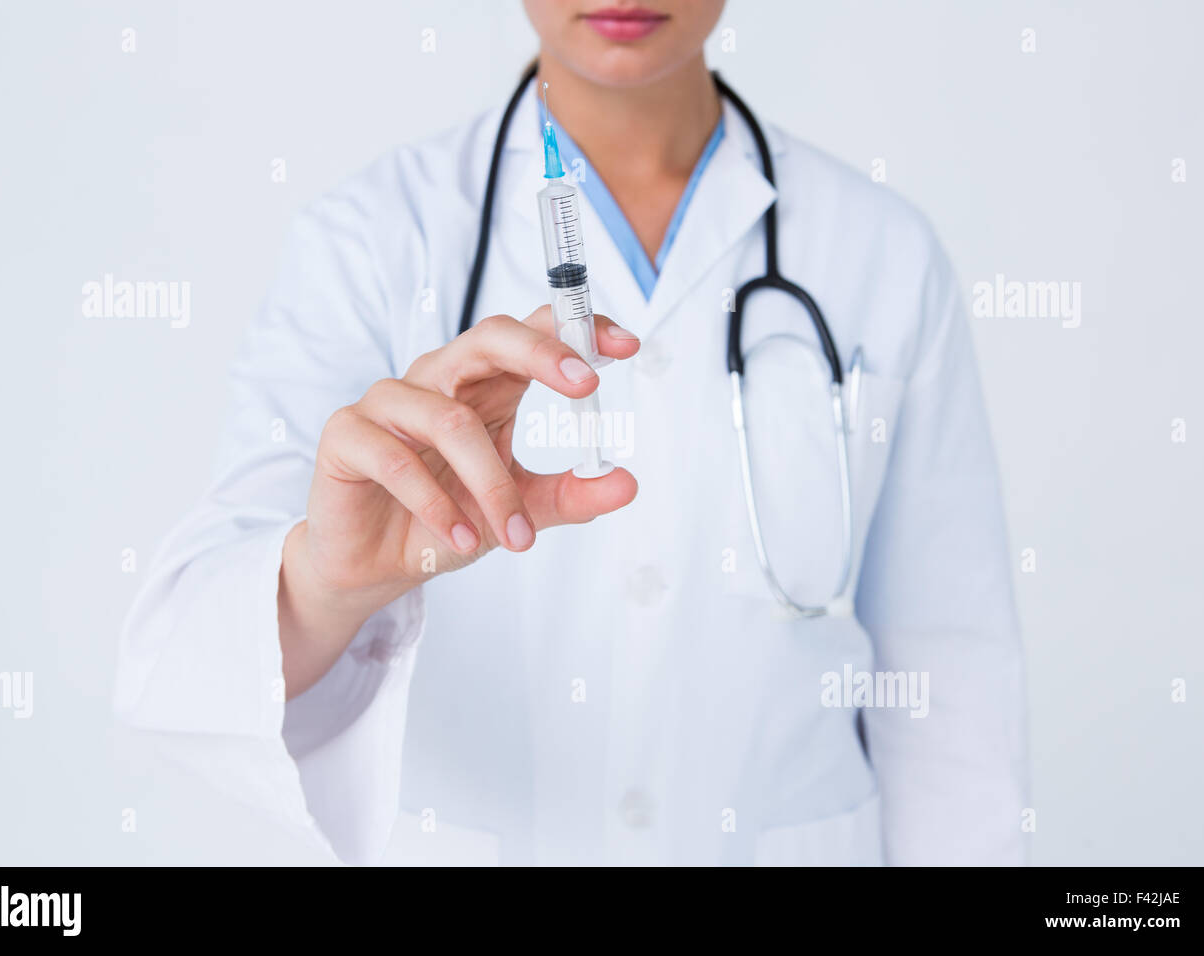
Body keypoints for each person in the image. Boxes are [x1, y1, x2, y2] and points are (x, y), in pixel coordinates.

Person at [115, 0, 1028, 865]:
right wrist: (327, 580)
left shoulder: (882, 253)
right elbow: (182, 651)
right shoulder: (368, 241)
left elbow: (952, 684)